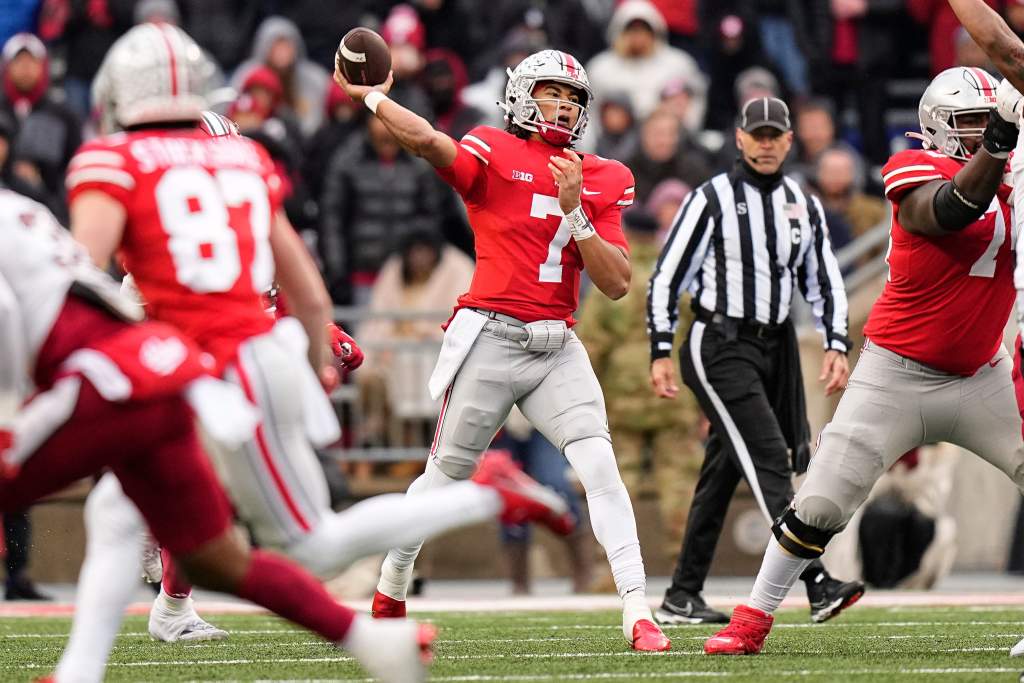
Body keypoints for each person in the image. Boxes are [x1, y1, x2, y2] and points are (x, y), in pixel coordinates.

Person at [60, 23, 574, 664]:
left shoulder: (112, 161)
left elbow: (79, 278)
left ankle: (487, 491)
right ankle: (127, 640)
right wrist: (315, 349)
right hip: (235, 359)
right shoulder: (241, 160)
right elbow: (298, 283)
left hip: (216, 367)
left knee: (309, 543)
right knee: (117, 514)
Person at [0, 187, 436, 683]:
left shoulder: (160, 194)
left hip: (155, 364)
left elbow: (250, 294)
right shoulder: (186, 203)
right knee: (199, 533)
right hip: (160, 352)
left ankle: (151, 610)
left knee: (244, 531)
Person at [334, 47, 672, 652]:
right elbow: (429, 144)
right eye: (551, 93)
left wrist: (577, 215)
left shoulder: (602, 176)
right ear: (520, 94)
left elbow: (618, 282)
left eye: (573, 98)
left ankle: (637, 609)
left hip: (556, 345)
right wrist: (373, 97)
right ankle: (390, 587)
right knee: (443, 480)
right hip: (491, 337)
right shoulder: (491, 148)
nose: (563, 106)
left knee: (599, 467)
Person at [702, 61, 1022, 654]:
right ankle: (750, 621)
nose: (983, 132)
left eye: (990, 122)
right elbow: (948, 210)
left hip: (983, 372)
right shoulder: (916, 167)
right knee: (820, 503)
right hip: (896, 373)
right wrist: (1000, 144)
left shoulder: (1016, 175)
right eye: (972, 122)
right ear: (940, 125)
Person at [647, 96, 863, 626]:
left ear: (789, 140)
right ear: (739, 139)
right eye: (757, 134)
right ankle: (815, 581)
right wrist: (659, 348)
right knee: (768, 455)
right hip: (718, 342)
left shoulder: (801, 202)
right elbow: (667, 277)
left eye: (775, 135)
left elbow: (823, 278)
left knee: (723, 469)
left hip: (774, 346)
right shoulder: (711, 198)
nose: (765, 144)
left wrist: (835, 341)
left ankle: (682, 594)